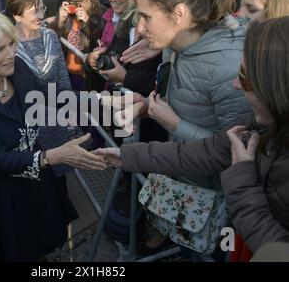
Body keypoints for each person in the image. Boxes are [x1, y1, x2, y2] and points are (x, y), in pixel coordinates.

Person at [95, 16, 289, 256]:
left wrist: (242, 183)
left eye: (245, 76)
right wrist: (126, 155)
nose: (236, 85)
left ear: (277, 87)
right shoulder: (262, 124)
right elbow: (206, 151)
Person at [0, 10, 106, 261]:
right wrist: (52, 156)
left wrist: (103, 101)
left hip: (34, 176)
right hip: (0, 190)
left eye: (12, 43)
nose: (11, 54)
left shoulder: (17, 67)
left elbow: (50, 98)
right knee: (15, 252)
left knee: (40, 246)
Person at [7, 0, 72, 92]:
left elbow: (63, 79)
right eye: (34, 12)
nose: (41, 16)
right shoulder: (7, 45)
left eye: (42, 9)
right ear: (17, 15)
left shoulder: (51, 36)